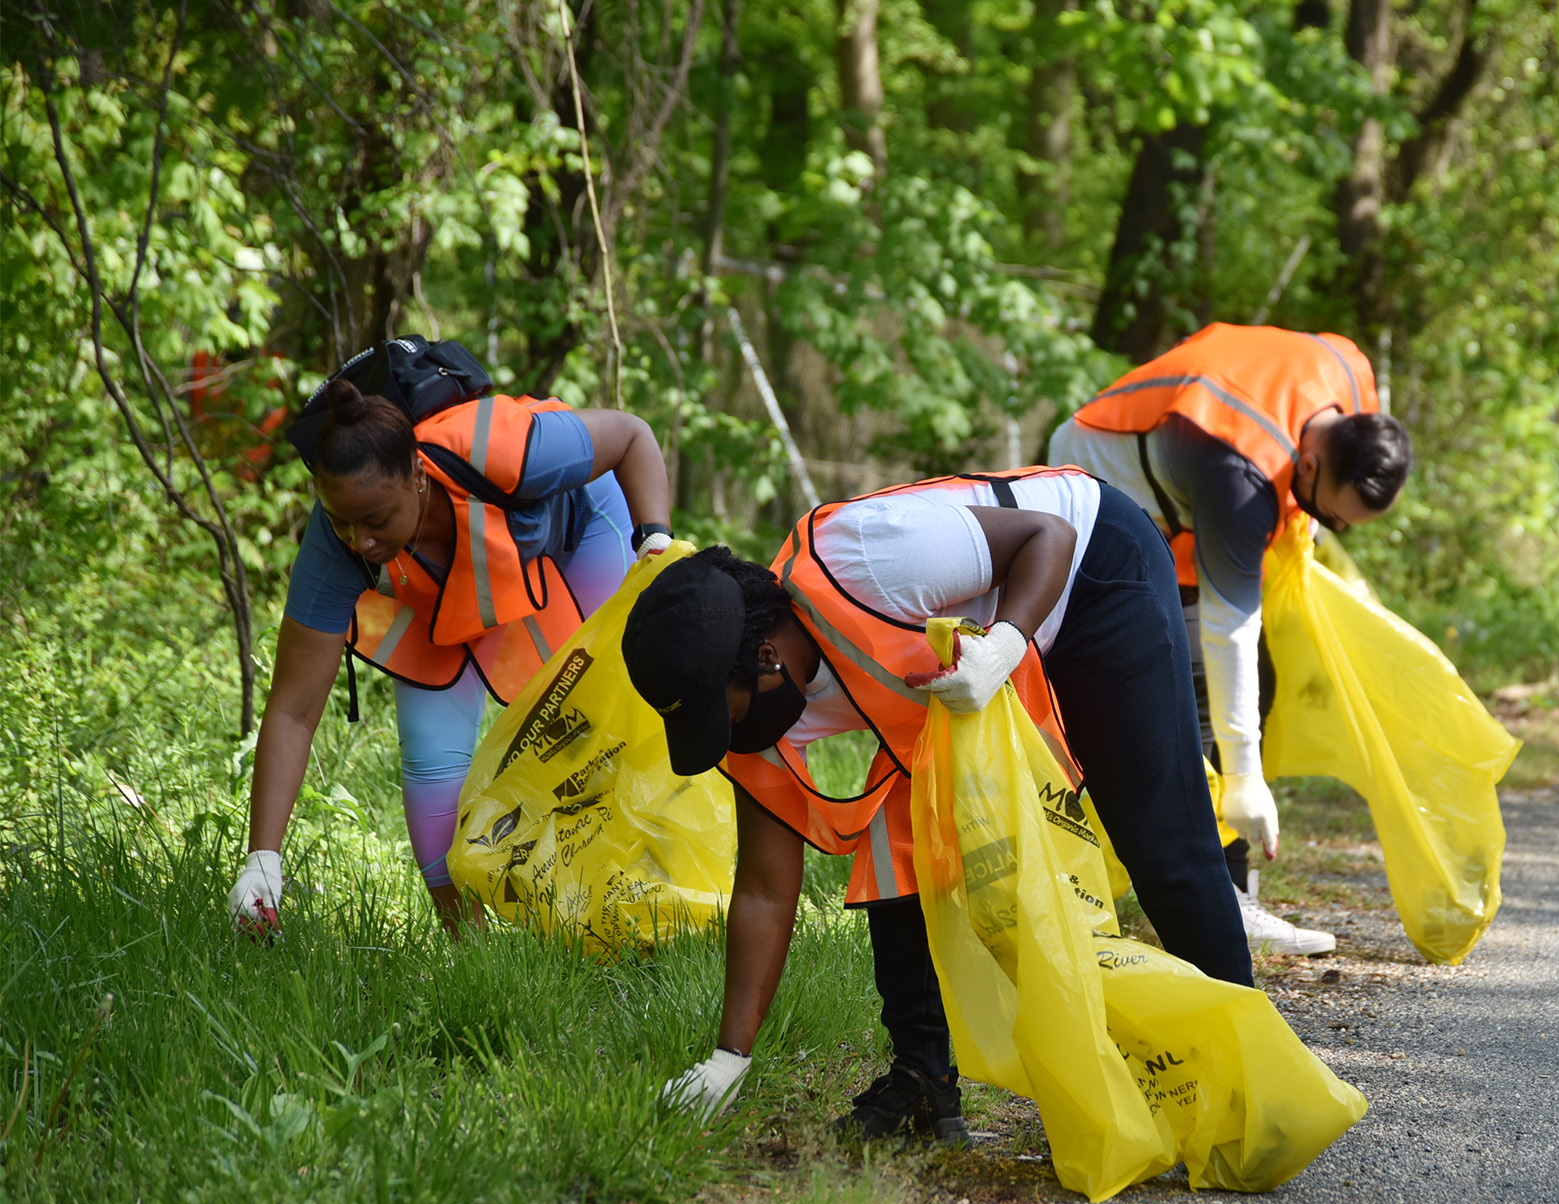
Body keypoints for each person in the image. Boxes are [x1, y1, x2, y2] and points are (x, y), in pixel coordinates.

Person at [622, 469, 1257, 1140]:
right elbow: (762, 890)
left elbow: (1049, 534)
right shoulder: (764, 719)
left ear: (767, 657)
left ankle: (1246, 1080)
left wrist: (1003, 647)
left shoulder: (867, 558)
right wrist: (729, 1058)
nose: (726, 739)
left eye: (719, 715)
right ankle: (924, 1084)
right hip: (968, 661)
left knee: (1160, 837)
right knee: (891, 847)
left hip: (1091, 564)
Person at [226, 373, 673, 928]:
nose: (359, 541)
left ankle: (634, 910)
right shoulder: (335, 545)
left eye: (376, 520)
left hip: (578, 538)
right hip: (444, 601)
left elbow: (632, 435)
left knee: (600, 723)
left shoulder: (505, 451)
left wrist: (655, 543)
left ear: (416, 474)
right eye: (342, 523)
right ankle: (475, 956)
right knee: (431, 776)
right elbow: (293, 712)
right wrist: (262, 861)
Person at [1044, 323, 1413, 955]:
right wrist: (1245, 775)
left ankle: (1220, 882)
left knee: (1246, 686)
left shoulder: (1349, 374)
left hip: (1185, 482)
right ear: (1309, 463)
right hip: (1103, 494)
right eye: (1330, 515)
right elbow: (1228, 629)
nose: (1331, 528)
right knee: (1195, 695)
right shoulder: (1239, 477)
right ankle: (1222, 898)